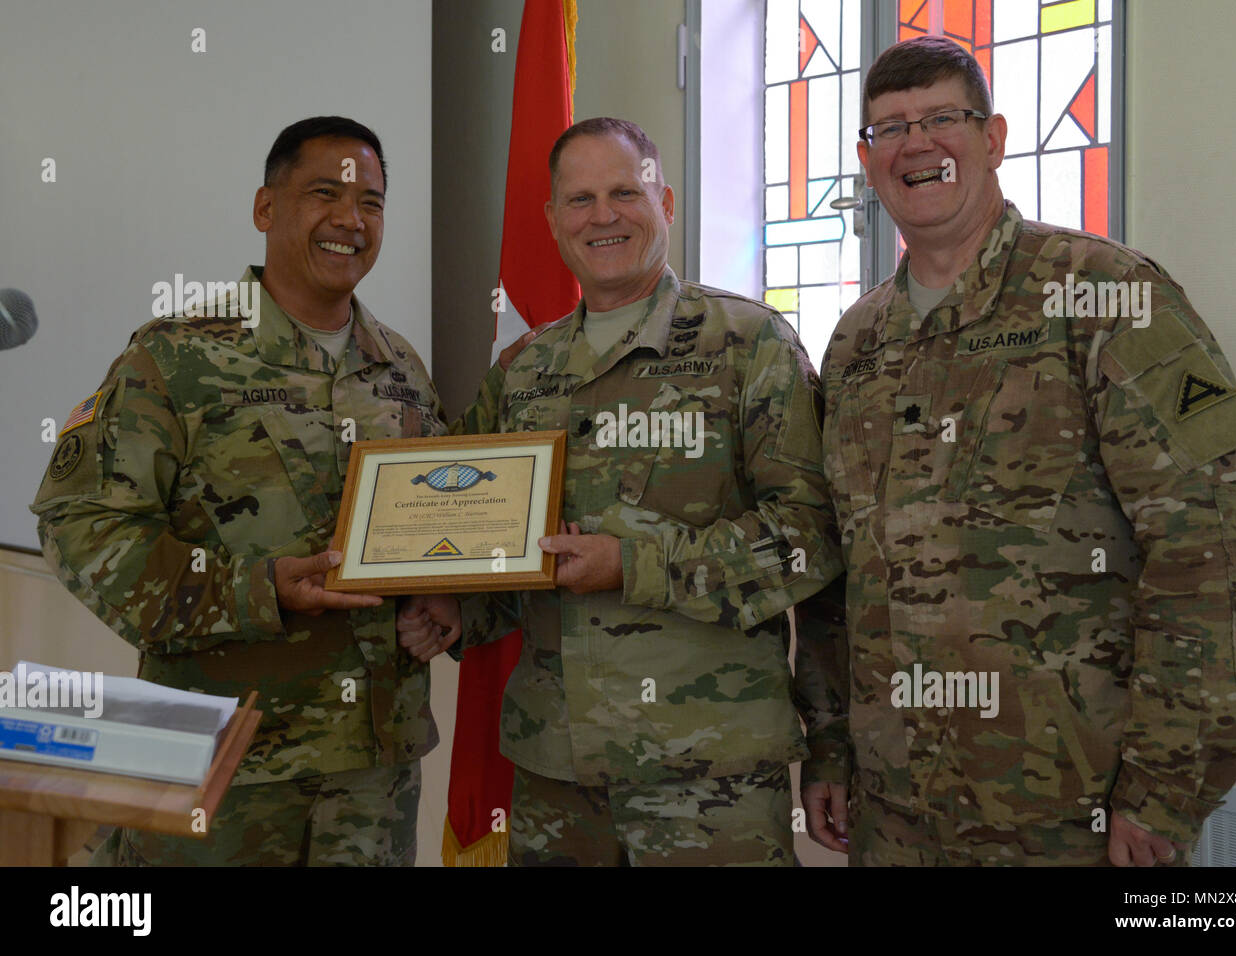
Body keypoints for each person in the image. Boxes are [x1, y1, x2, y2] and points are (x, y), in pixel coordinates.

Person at [802, 36, 1236, 867]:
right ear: (866, 159)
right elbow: (840, 572)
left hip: (1071, 815)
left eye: (941, 119)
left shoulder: (1104, 297)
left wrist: (1166, 791)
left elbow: (1213, 550)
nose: (917, 143)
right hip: (895, 814)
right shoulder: (856, 344)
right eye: (890, 128)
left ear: (993, 139)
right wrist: (831, 747)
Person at [407, 117, 842, 866]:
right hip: (556, 774)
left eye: (623, 192)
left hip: (710, 779)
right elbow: (493, 547)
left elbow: (810, 538)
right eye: (579, 200)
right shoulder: (523, 371)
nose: (602, 216)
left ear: (664, 201)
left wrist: (634, 565)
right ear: (552, 220)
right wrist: (454, 606)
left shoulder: (750, 346)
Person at [31, 116, 463, 866]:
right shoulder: (176, 356)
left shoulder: (400, 368)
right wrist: (254, 592)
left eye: (371, 203)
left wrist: (444, 598)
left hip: (371, 770)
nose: (349, 221)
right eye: (324, 194)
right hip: (221, 755)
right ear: (267, 209)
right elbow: (82, 528)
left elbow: (441, 521)